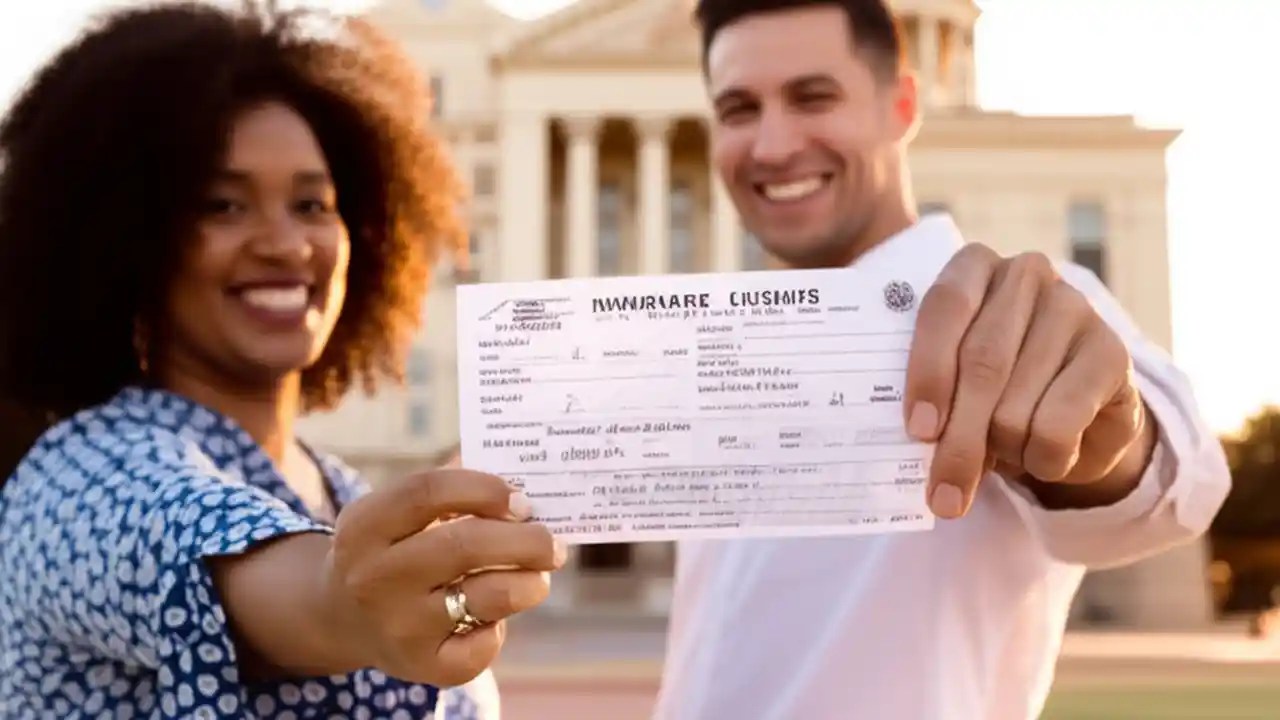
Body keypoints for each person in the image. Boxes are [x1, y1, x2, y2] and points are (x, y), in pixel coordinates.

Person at [654, 2, 1232, 718]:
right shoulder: (728, 351)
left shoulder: (1011, 308)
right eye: (739, 109)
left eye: (813, 98)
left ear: (903, 104)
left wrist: (1104, 442)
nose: (772, 146)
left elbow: (1172, 479)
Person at [0, 3, 564, 718]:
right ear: (124, 241)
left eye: (312, 204)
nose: (285, 244)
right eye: (223, 207)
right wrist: (350, 600)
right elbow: (259, 574)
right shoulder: (79, 480)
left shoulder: (344, 489)